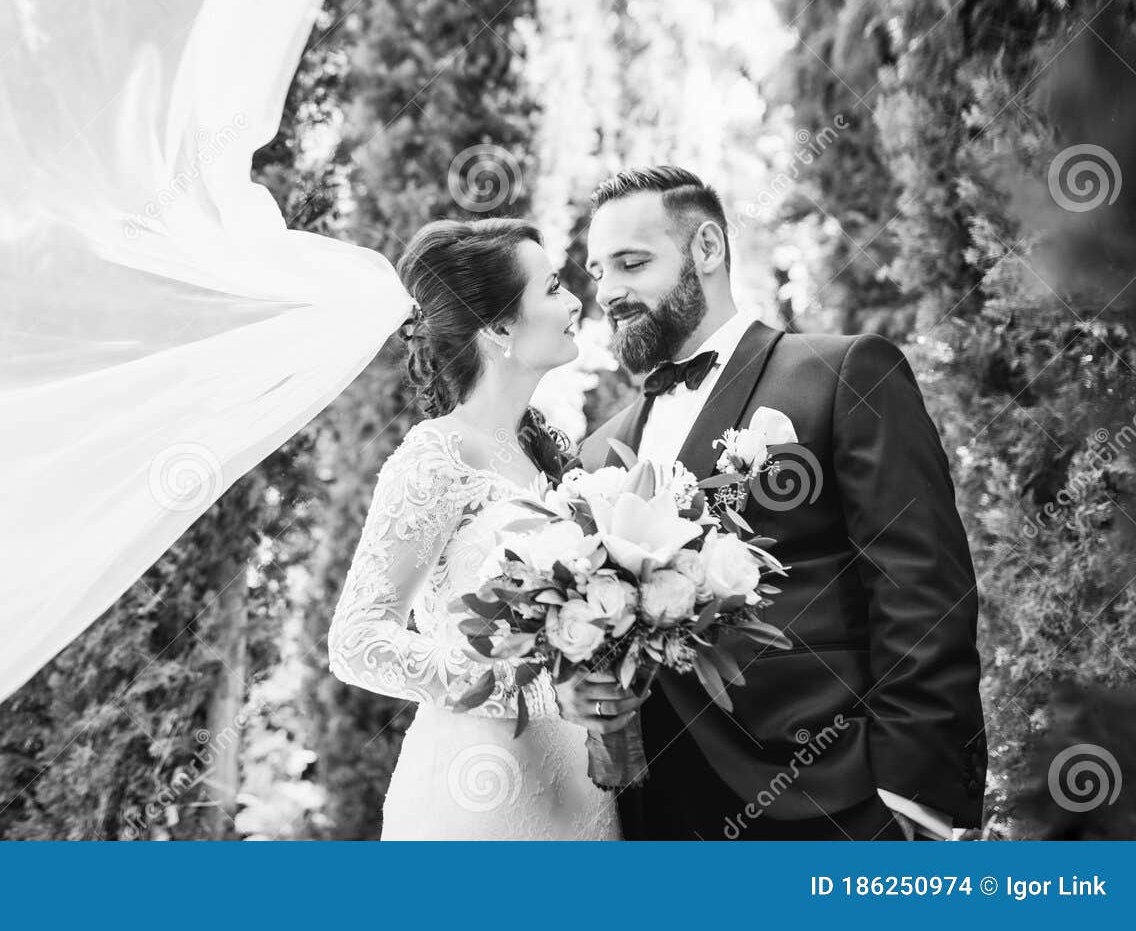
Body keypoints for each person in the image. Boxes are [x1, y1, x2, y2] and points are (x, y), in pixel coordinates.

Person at [559, 165, 987, 840]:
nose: (608, 290)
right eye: (596, 270)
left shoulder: (843, 373)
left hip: (832, 800)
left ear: (706, 248)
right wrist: (583, 691)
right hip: (659, 819)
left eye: (632, 263)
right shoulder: (597, 455)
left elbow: (924, 591)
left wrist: (915, 799)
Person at [326, 217, 617, 839]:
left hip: (578, 786)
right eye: (553, 288)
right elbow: (356, 642)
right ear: (499, 327)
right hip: (480, 791)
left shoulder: (547, 453)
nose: (574, 303)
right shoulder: (436, 457)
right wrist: (529, 691)